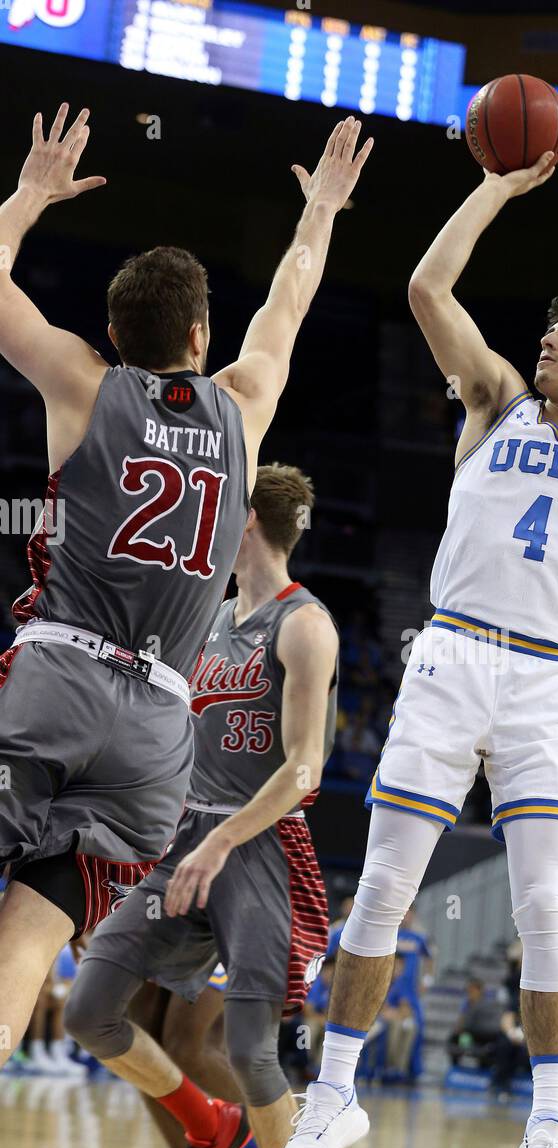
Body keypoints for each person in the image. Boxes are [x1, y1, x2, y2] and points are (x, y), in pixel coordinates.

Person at [281, 147, 558, 1148]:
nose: (547, 341)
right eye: (547, 329)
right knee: (385, 884)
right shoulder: (492, 400)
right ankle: (332, 1094)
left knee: (544, 901)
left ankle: (547, 1137)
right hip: (451, 654)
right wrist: (498, 191)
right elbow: (425, 288)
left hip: (548, 681)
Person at [0, 108, 370, 1071]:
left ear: (114, 333)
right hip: (159, 736)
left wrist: (30, 196)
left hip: (59, 682)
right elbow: (288, 303)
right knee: (25, 951)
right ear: (203, 336)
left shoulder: (84, 382)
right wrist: (321, 210)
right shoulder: (243, 410)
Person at [65, 464, 342, 1148]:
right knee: (88, 1009)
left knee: (250, 1049)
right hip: (182, 838)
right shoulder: (209, 622)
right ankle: (205, 1125)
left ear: (248, 522)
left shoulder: (304, 626)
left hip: (257, 847)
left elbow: (304, 769)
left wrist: (220, 841)